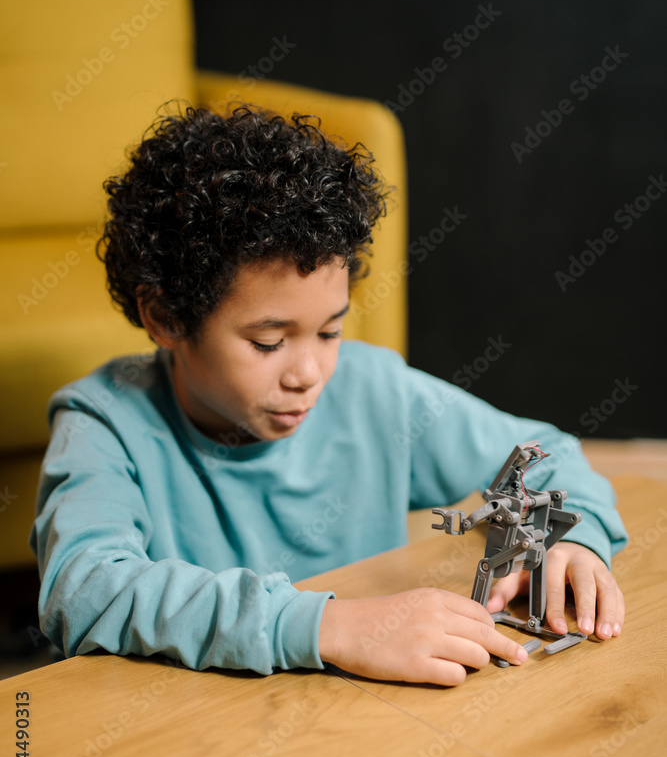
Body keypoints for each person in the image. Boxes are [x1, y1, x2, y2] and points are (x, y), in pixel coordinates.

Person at [30, 104, 627, 687]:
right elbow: (82, 590)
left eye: (331, 330)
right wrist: (324, 626)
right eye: (268, 341)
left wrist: (573, 537)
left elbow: (543, 452)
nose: (310, 374)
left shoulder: (372, 390)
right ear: (164, 317)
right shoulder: (102, 421)